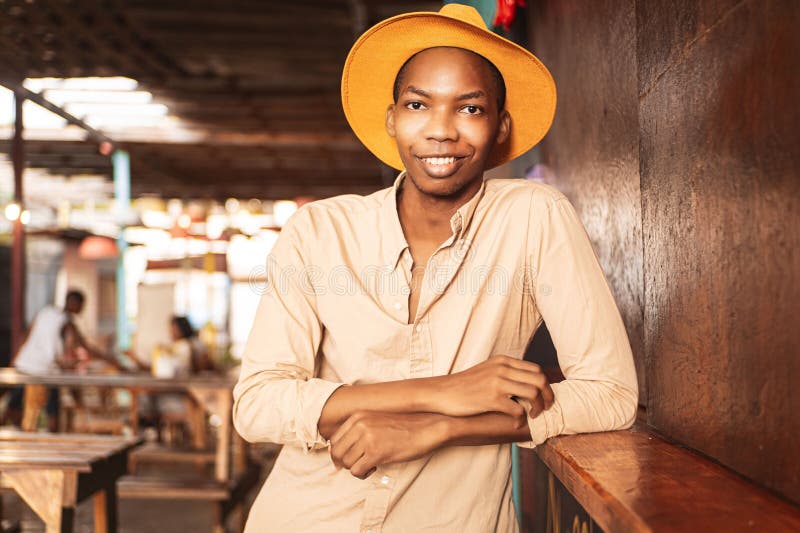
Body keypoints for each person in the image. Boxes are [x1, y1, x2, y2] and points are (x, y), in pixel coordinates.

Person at [233, 4, 638, 532]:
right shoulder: (318, 231)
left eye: (469, 109)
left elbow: (611, 395)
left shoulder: (533, 218)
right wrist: (441, 392)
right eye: (418, 104)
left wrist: (437, 428)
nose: (441, 130)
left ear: (500, 126)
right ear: (392, 119)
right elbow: (259, 404)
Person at [12, 289, 122, 431]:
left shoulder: (46, 313)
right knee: (50, 408)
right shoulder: (67, 323)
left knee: (19, 406)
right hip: (44, 370)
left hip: (25, 364)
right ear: (75, 303)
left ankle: (26, 431)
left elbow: (27, 334)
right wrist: (113, 362)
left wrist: (16, 357)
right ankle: (50, 434)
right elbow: (80, 346)